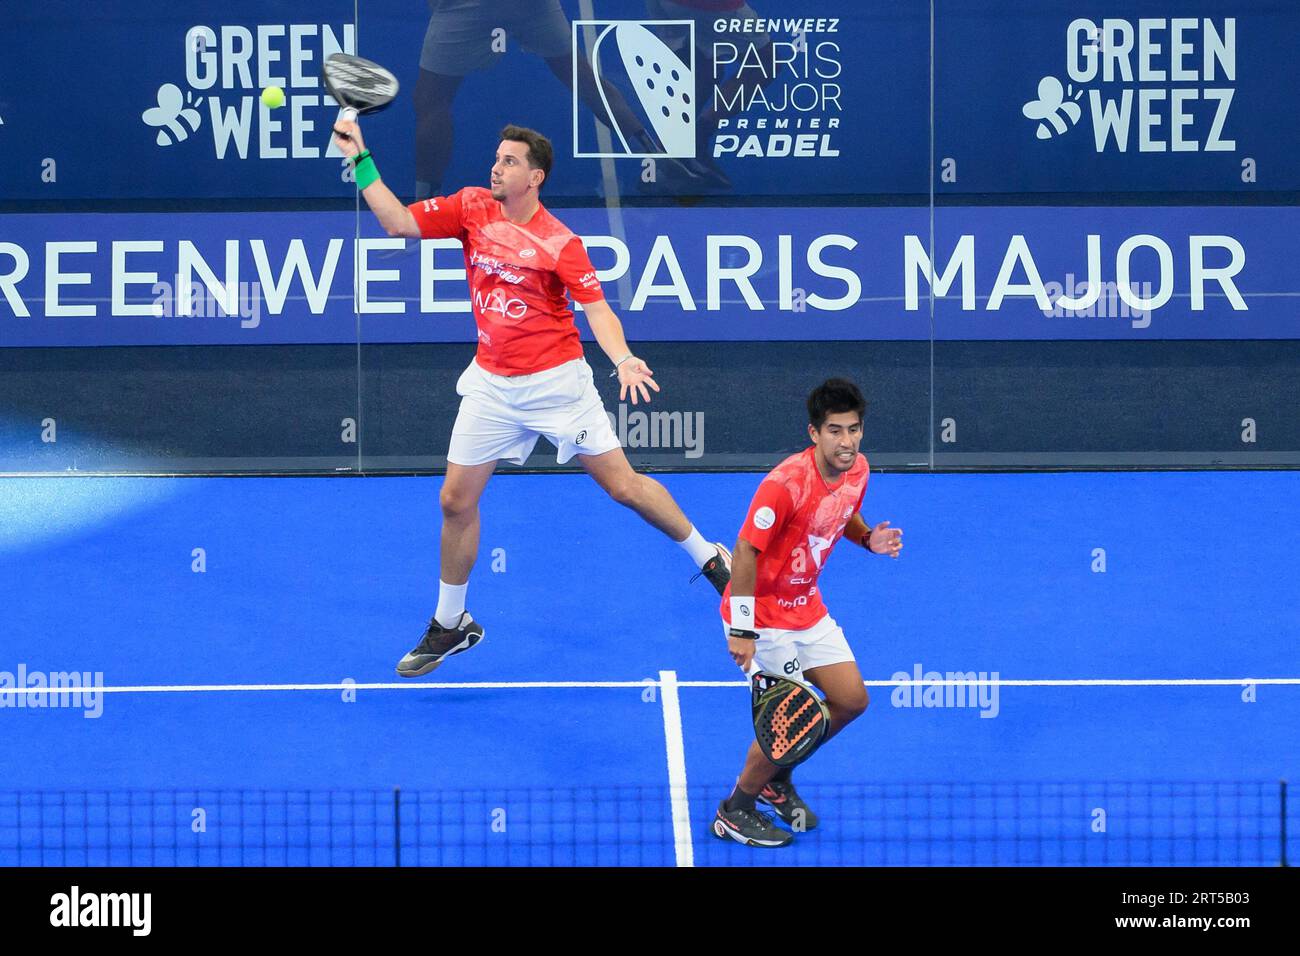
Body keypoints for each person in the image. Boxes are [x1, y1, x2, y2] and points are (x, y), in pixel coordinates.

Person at [329, 118, 732, 676]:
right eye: (496, 158)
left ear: (535, 177)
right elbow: (397, 223)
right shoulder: (471, 208)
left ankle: (709, 556)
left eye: (509, 161)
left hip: (558, 387)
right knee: (454, 501)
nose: (495, 167)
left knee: (623, 487)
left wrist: (622, 359)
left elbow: (598, 310)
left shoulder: (560, 243)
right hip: (492, 384)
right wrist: (361, 159)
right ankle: (451, 624)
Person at [713, 378, 903, 847]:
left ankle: (776, 778)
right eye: (835, 431)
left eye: (854, 430)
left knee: (852, 700)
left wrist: (867, 540)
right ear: (814, 433)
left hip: (807, 608)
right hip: (762, 617)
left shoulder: (858, 470)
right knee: (789, 716)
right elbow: (744, 551)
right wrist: (742, 628)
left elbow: (843, 517)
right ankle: (735, 809)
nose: (847, 441)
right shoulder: (784, 484)